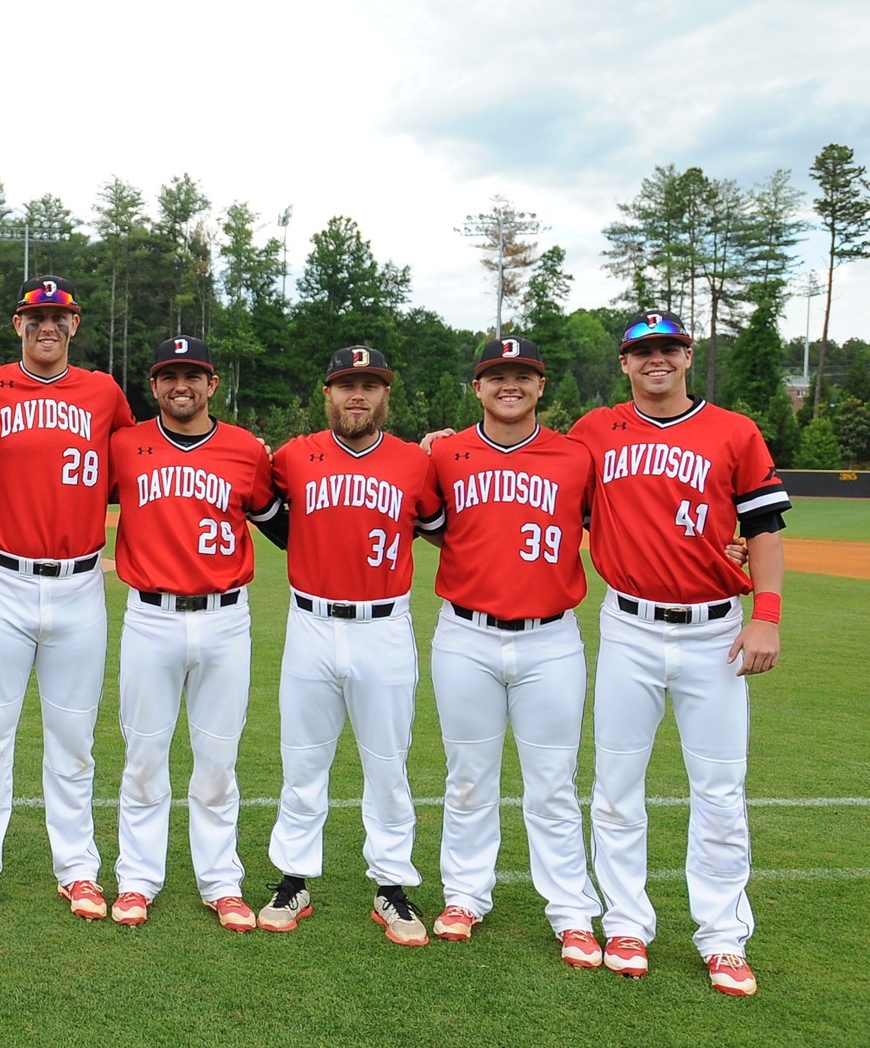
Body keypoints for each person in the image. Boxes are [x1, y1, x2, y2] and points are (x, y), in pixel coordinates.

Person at [568, 311, 788, 997]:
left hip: (714, 631)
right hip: (628, 627)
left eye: (668, 349)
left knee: (720, 790)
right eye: (643, 353)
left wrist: (767, 616)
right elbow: (551, 489)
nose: (656, 361)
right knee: (615, 787)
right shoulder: (594, 431)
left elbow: (765, 530)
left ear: (689, 356)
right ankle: (626, 921)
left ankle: (723, 938)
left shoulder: (734, 431)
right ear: (625, 364)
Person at [0, 275, 135, 923]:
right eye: (35, 316)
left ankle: (77, 870)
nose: (47, 325)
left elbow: (141, 454)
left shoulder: (104, 392)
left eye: (59, 316)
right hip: (1, 579)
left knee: (73, 739)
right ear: (18, 322)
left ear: (75, 325)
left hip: (80, 583)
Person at [421, 336, 604, 967]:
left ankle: (572, 912)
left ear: (540, 386)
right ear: (477, 387)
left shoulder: (577, 456)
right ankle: (466, 895)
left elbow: (627, 522)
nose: (510, 385)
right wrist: (426, 449)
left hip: (551, 639)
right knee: (468, 778)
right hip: (466, 636)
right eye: (497, 376)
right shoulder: (444, 453)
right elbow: (419, 516)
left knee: (552, 784)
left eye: (522, 375)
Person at [257, 346, 443, 947]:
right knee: (303, 759)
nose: (357, 395)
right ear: (327, 394)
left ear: (386, 396)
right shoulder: (293, 456)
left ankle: (391, 887)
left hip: (383, 624)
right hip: (310, 621)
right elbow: (265, 512)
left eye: (369, 385)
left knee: (387, 764)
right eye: (345, 385)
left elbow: (445, 529)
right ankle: (292, 879)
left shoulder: (416, 463)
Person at [107, 336, 281, 930]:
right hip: (150, 616)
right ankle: (137, 879)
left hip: (226, 619)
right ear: (153, 387)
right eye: (169, 376)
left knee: (217, 761)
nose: (182, 385)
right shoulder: (125, 446)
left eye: (194, 375)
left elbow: (284, 522)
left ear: (212, 385)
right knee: (144, 757)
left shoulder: (245, 451)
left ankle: (221, 880)